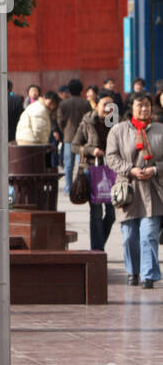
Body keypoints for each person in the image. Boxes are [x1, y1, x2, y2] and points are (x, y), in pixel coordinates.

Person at [105, 93, 163, 289]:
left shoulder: (159, 130)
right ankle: (133, 271)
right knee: (129, 236)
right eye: (140, 106)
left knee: (149, 234)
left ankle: (149, 275)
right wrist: (130, 169)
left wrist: (155, 169)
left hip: (153, 191)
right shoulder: (118, 130)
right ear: (132, 108)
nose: (144, 109)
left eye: (147, 106)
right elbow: (111, 158)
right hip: (127, 191)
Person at [71, 94, 119, 252]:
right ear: (97, 105)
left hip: (112, 171)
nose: (108, 108)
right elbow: (75, 145)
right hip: (93, 171)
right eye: (105, 104)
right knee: (97, 213)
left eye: (111, 105)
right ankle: (97, 250)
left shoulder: (116, 123)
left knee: (111, 214)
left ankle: (98, 246)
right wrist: (93, 150)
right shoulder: (87, 122)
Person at [57, 78, 92, 195]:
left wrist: (64, 131)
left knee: (68, 165)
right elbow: (90, 120)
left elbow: (60, 121)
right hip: (83, 139)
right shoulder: (86, 103)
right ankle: (81, 187)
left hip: (68, 137)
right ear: (81, 90)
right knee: (82, 165)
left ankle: (68, 188)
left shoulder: (63, 103)